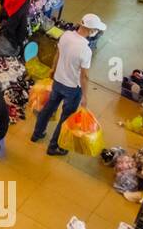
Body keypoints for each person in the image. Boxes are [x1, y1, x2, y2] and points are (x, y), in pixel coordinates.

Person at [31, 13, 104, 157]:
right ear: (91, 30)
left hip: (58, 80)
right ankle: (54, 147)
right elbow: (84, 75)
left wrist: (53, 69)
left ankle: (36, 134)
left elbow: (58, 53)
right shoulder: (86, 50)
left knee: (48, 108)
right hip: (72, 88)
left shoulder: (66, 35)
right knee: (65, 118)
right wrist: (84, 95)